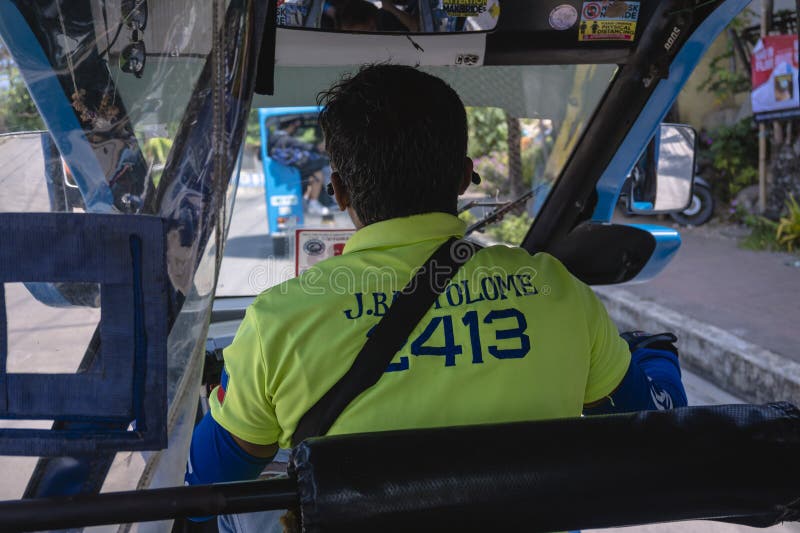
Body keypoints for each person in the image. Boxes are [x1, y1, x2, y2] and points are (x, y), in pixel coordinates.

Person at [185, 64, 687, 531]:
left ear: (338, 190)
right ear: (464, 176)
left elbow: (207, 482)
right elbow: (653, 433)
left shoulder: (279, 321)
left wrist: (218, 401)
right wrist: (657, 355)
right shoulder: (558, 292)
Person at [268, 117, 330, 215]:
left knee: (312, 176)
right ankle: (313, 203)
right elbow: (308, 147)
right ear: (291, 125)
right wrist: (320, 148)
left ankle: (310, 201)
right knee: (318, 173)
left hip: (285, 171)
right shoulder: (286, 139)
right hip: (293, 170)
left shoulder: (273, 138)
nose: (295, 129)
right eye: (295, 126)